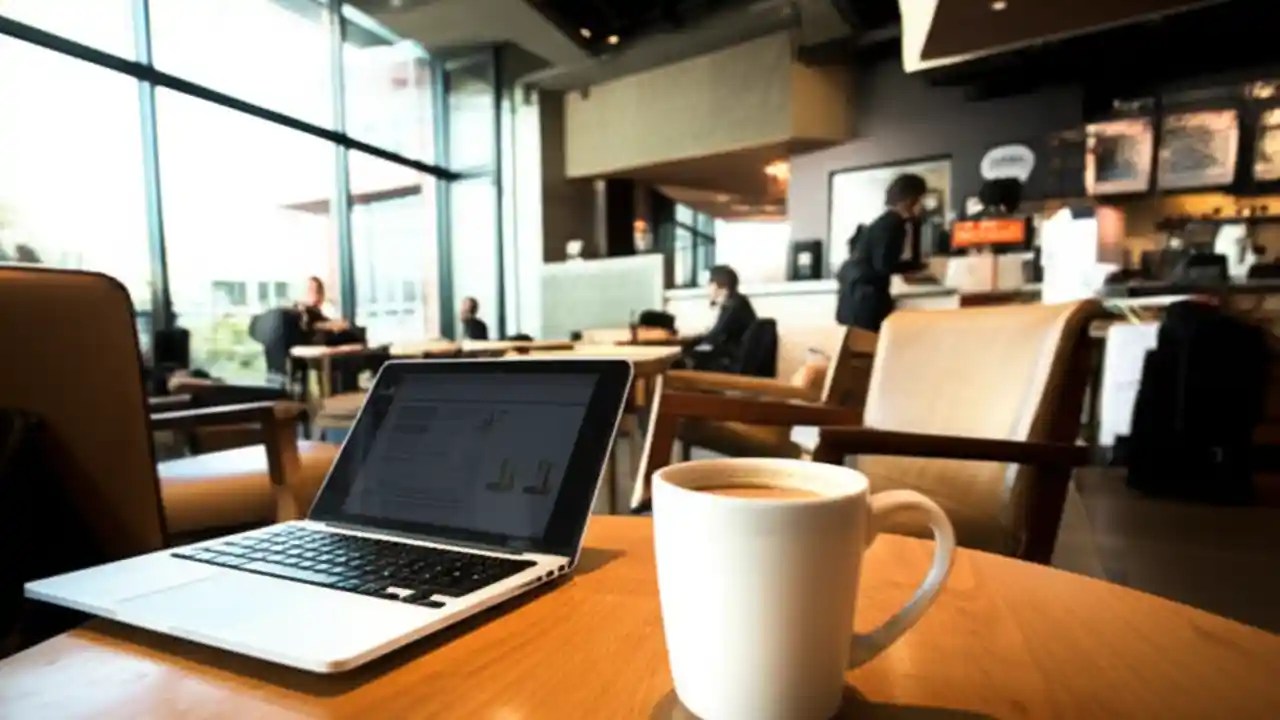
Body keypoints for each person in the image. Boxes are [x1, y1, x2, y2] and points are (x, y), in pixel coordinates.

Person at [836, 173, 928, 332]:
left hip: (853, 295)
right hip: (867, 298)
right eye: (922, 199)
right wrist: (916, 266)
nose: (923, 205)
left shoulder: (883, 222)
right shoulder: (894, 224)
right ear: (910, 200)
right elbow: (884, 265)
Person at [688, 265, 756, 370]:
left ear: (717, 286)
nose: (707, 290)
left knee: (687, 356)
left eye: (709, 285)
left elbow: (716, 335)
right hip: (739, 358)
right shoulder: (739, 302)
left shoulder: (733, 306)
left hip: (733, 362)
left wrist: (691, 341)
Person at [296, 276, 349, 340]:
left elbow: (324, 321)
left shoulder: (316, 312)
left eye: (318, 291)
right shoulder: (302, 310)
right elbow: (310, 325)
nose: (316, 295)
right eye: (311, 290)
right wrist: (331, 325)